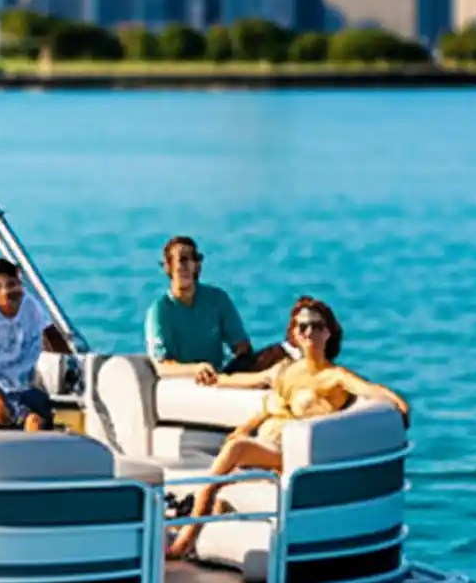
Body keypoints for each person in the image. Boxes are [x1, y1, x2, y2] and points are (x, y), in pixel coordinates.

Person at [165, 296, 411, 559]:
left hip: (288, 454)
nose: (309, 332)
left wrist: (400, 407)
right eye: (302, 326)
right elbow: (254, 389)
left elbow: (371, 390)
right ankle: (199, 518)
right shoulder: (286, 370)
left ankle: (185, 541)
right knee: (231, 452)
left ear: (328, 333)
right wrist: (238, 418)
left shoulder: (334, 377)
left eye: (317, 326)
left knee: (228, 458)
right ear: (293, 332)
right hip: (265, 444)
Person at [0, 258, 70, 431]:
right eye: (4, 286)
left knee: (42, 412)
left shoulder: (31, 306)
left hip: (24, 388)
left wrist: (72, 369)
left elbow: (54, 340)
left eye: (14, 284)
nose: (12, 291)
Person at [145, 236, 252, 386]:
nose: (187, 265)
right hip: (180, 386)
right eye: (182, 260)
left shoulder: (217, 299)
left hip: (216, 379)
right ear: (168, 266)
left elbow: (242, 347)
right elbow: (160, 365)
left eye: (193, 259)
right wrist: (196, 369)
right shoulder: (160, 310)